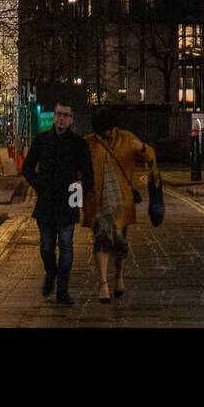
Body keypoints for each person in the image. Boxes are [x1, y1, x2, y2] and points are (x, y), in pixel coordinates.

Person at [82, 108, 158, 304]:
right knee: (101, 241)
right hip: (98, 202)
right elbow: (76, 168)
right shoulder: (88, 142)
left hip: (121, 202)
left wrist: (142, 148)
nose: (105, 134)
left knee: (120, 244)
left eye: (107, 130)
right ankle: (103, 284)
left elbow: (150, 156)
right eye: (101, 131)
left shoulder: (127, 139)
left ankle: (119, 276)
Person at [21, 102, 93, 305]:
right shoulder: (42, 140)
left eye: (66, 115)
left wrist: (78, 193)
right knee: (46, 247)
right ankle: (51, 273)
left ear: (72, 119)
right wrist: (39, 185)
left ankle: (62, 289)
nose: (61, 118)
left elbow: (88, 175)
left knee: (66, 246)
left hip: (67, 201)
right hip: (46, 202)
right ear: (54, 116)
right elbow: (27, 168)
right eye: (58, 114)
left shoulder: (78, 144)